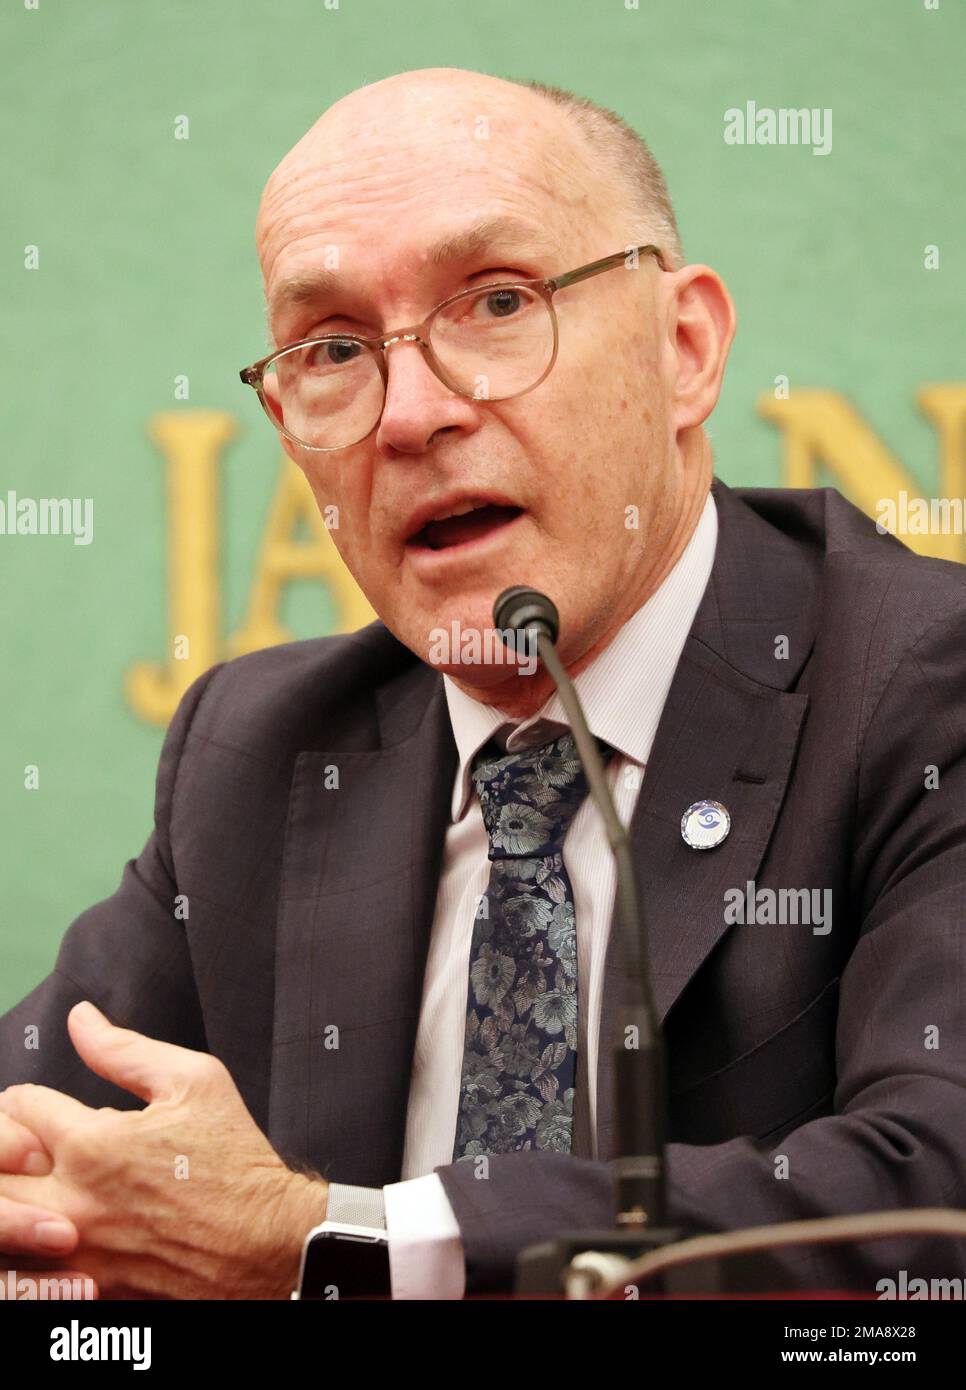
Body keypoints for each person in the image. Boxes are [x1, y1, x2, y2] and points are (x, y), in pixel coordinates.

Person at [2, 67, 965, 1300]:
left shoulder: (923, 685)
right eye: (334, 347)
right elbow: (37, 1135)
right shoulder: (263, 749)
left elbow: (928, 1204)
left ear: (684, 349)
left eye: (498, 302)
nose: (409, 416)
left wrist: (324, 1248)